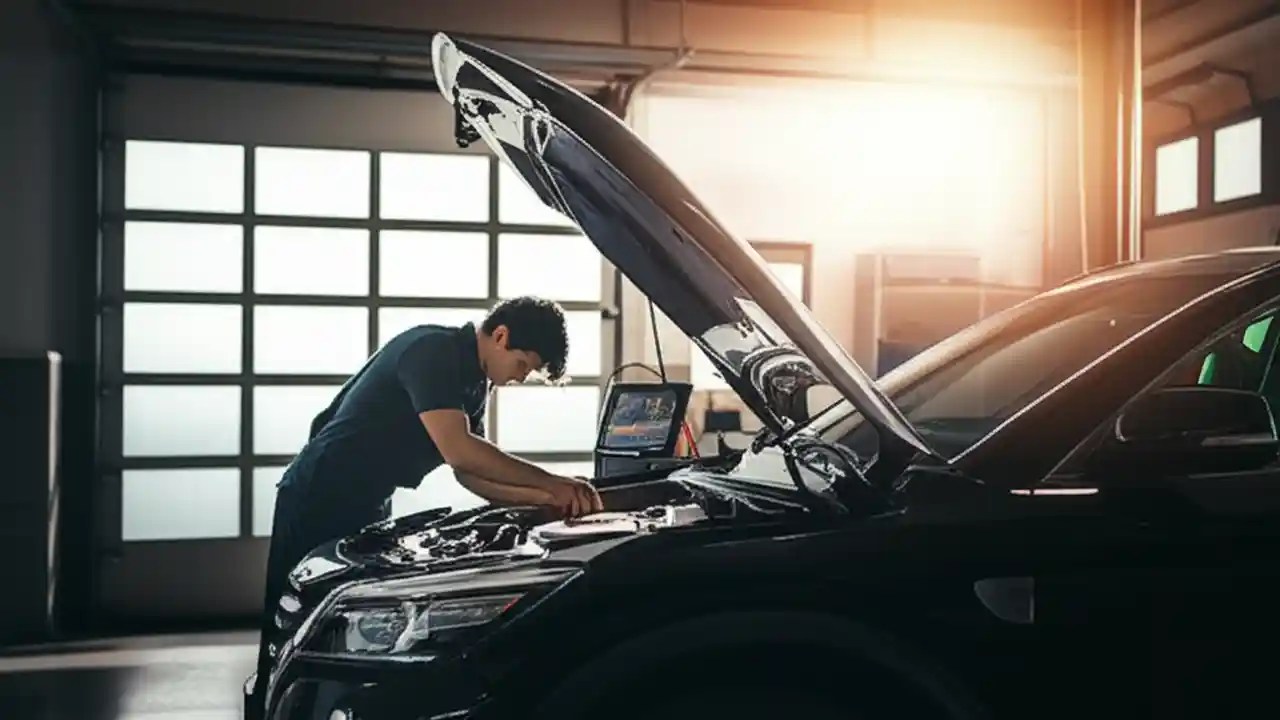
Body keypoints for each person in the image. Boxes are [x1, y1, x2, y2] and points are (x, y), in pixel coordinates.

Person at [246, 295, 602, 717]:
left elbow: (471, 476)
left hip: (369, 499)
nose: (520, 378)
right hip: (319, 492)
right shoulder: (434, 352)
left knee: (344, 628)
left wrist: (547, 500)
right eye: (523, 365)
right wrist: (553, 482)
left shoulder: (474, 383)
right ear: (501, 336)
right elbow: (459, 452)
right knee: (289, 628)